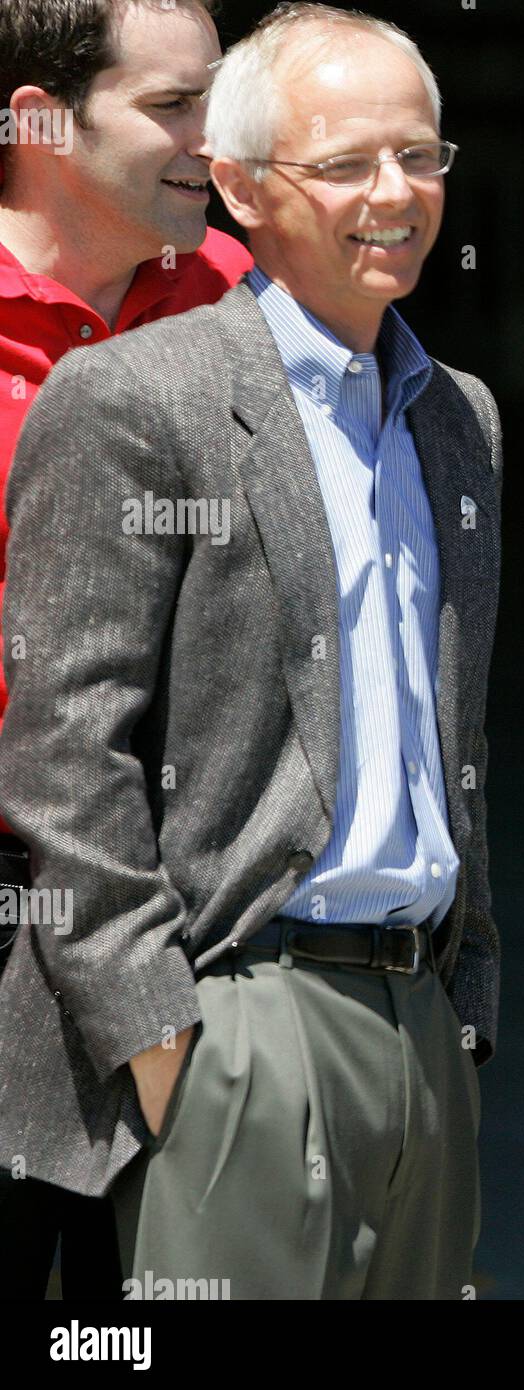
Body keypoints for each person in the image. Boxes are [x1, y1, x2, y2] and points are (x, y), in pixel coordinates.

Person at [0, 1, 501, 1299]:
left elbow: (445, 715)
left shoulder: (448, 413)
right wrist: (169, 1036)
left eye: (422, 153)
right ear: (240, 186)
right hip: (220, 998)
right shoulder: (134, 390)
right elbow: (70, 747)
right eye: (342, 163)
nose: (393, 192)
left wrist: (463, 1000)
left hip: (405, 1009)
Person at [0, 0, 251, 1300]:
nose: (216, 140)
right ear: (39, 119)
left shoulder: (244, 307)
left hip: (190, 911)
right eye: (173, 106)